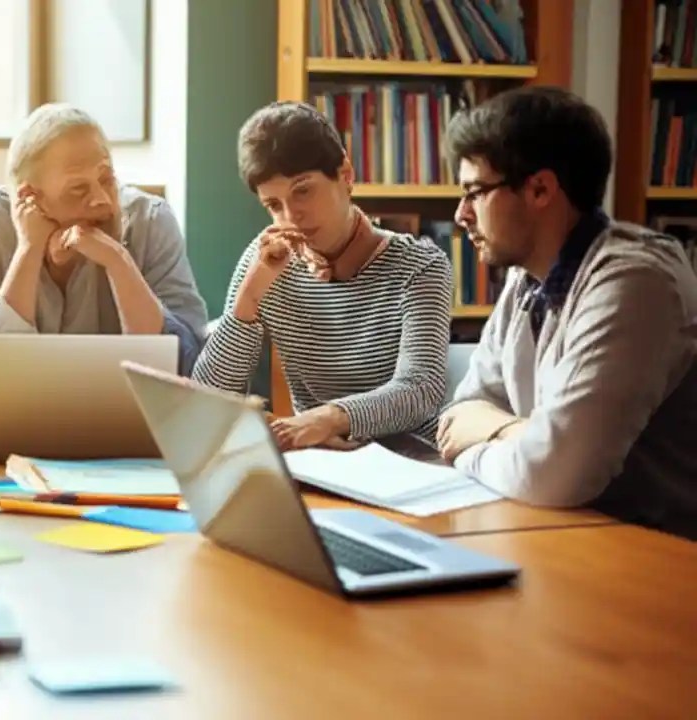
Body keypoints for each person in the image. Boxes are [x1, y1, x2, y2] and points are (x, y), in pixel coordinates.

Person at [436, 86, 697, 540]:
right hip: (558, 531)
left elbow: (553, 475)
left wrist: (502, 436)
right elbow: (459, 418)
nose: (461, 214)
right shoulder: (526, 279)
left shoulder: (636, 284)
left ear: (540, 189)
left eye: (475, 192)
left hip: (657, 554)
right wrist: (527, 435)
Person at [193, 102, 452, 450]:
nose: (291, 216)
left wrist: (326, 419)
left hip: (414, 461)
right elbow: (207, 400)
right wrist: (250, 296)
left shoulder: (420, 266)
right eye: (273, 205)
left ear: (346, 175)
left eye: (303, 190)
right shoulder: (266, 262)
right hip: (320, 463)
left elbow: (421, 389)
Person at [0, 103, 208, 373]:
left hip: (124, 413)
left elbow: (185, 363)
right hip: (13, 415)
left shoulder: (150, 220)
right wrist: (29, 249)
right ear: (30, 197)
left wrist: (118, 262)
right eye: (78, 189)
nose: (102, 199)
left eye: (106, 179)